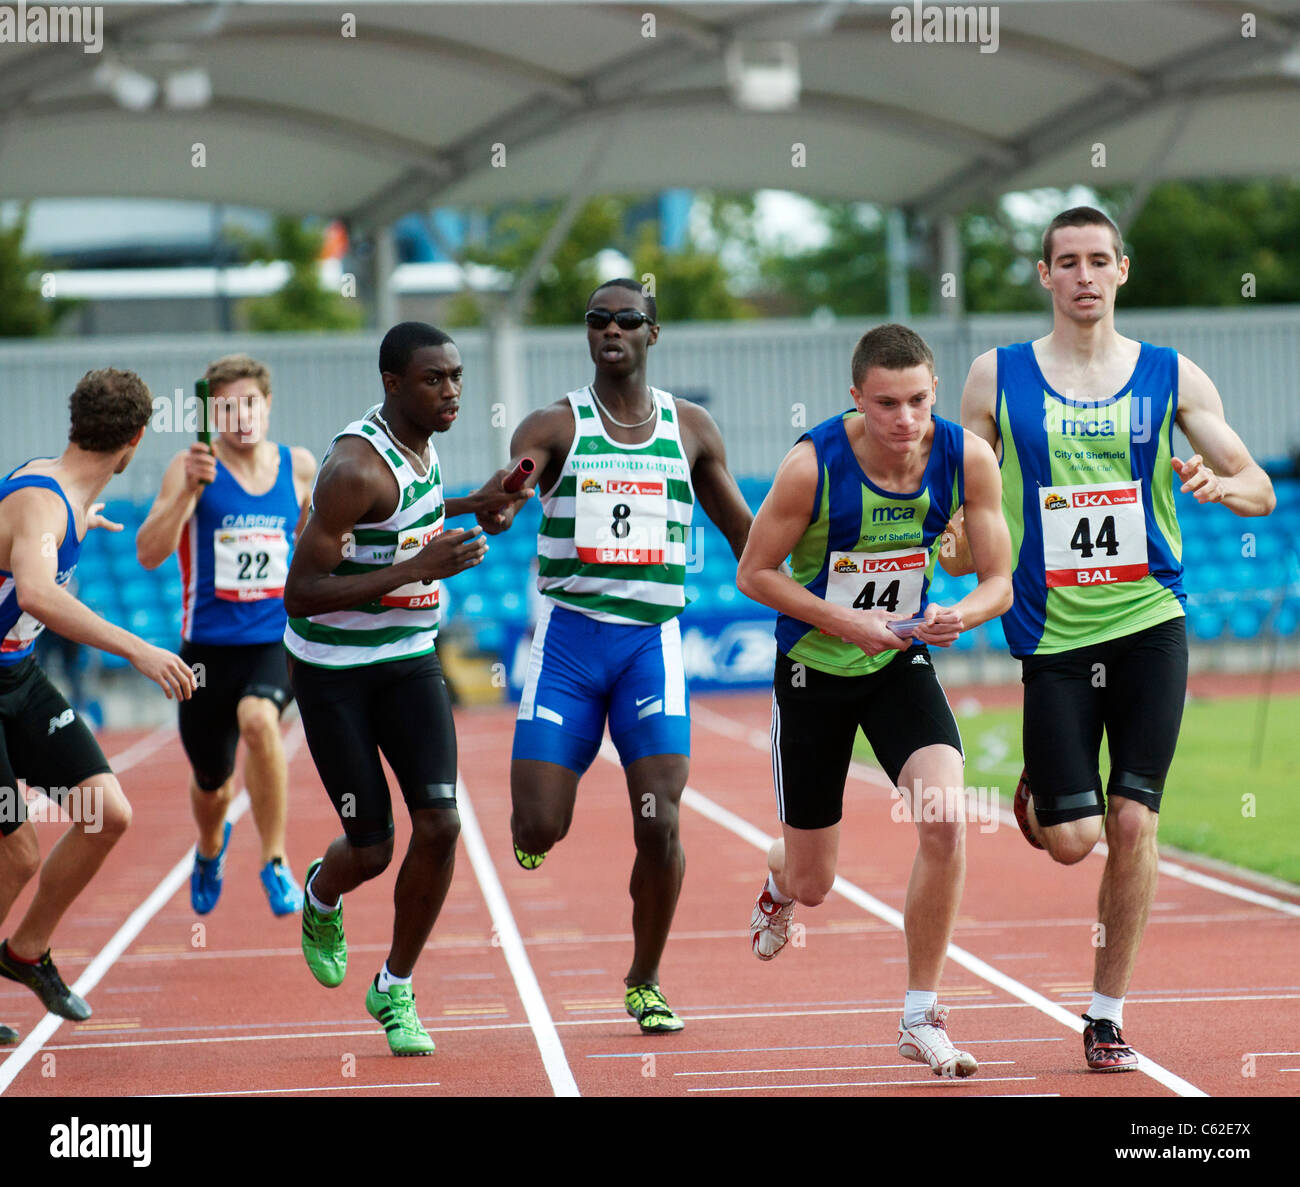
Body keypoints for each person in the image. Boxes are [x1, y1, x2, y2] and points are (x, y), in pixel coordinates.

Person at [948, 206, 1276, 1071]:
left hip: (1148, 622)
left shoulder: (1171, 375)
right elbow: (959, 488)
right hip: (1051, 632)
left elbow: (1259, 487)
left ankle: (1105, 1014)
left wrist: (1216, 480)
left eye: (1100, 260)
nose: (1085, 275)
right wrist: (951, 537)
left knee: (1134, 821)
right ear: (1046, 276)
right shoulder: (996, 376)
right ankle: (1045, 795)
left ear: (1123, 271)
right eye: (1069, 262)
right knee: (1074, 839)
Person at [737, 323, 1012, 1078]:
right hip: (813, 675)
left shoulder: (967, 457)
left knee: (946, 819)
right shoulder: (811, 466)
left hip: (900, 664)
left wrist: (966, 612)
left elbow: (1000, 578)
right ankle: (779, 878)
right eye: (886, 403)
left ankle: (921, 1013)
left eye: (919, 400)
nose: (906, 420)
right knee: (814, 882)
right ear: (856, 398)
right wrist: (845, 618)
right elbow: (754, 573)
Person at [497, 279, 754, 1035]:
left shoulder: (692, 428)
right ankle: (534, 833)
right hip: (571, 644)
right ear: (588, 334)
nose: (612, 330)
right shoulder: (554, 424)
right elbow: (514, 487)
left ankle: (645, 977)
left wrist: (816, 589)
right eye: (598, 320)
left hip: (650, 644)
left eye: (627, 320)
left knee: (659, 818)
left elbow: (745, 533)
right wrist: (507, 493)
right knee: (539, 825)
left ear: (653, 332)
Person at [284, 322, 529, 1056]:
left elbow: (405, 518)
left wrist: (469, 502)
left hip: (409, 660)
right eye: (434, 379)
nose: (452, 390)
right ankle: (323, 892)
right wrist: (421, 569)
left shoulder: (425, 439)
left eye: (456, 376)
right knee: (372, 847)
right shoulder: (352, 468)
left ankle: (395, 986)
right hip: (332, 674)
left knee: (443, 824)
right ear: (393, 384)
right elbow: (299, 592)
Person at [0, 370, 197, 1041]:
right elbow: (34, 592)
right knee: (18, 850)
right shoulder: (44, 502)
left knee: (106, 811)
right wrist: (138, 649)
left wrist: (77, 521)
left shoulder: (60, 491)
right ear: (135, 441)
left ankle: (25, 951)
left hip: (17, 678)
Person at [137, 355, 315, 917]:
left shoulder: (300, 466)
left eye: (251, 405)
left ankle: (275, 860)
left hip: (271, 641)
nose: (242, 417)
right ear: (212, 415)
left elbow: (314, 543)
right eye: (228, 407)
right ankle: (211, 847)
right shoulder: (192, 466)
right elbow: (149, 553)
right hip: (207, 652)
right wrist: (188, 493)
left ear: (268, 406)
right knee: (211, 785)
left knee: (260, 722)